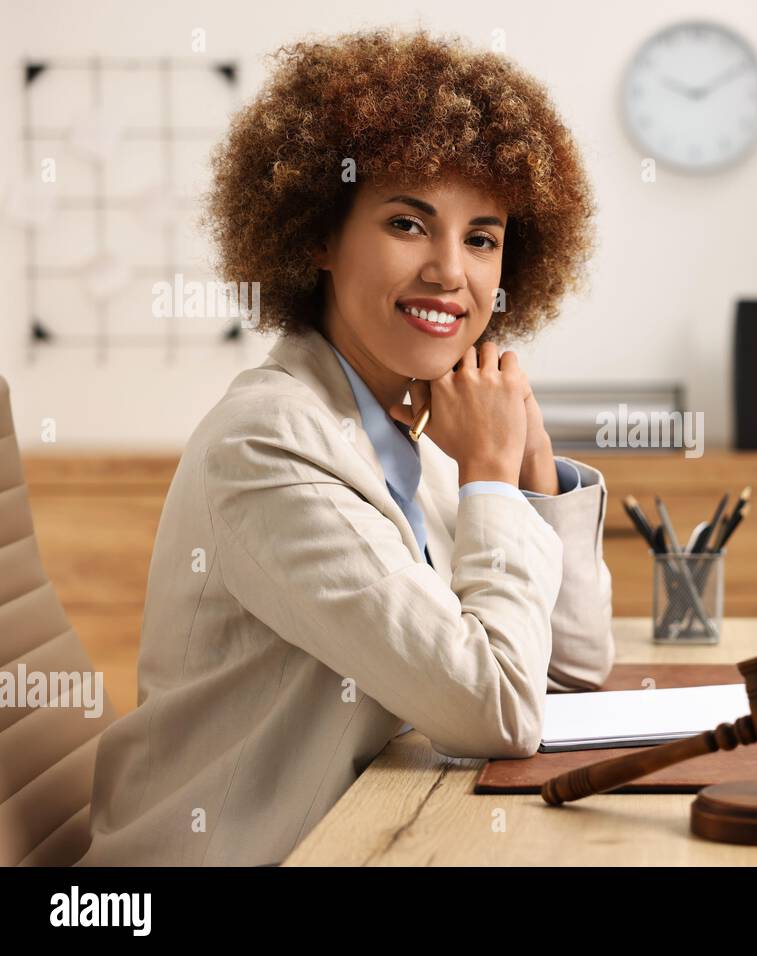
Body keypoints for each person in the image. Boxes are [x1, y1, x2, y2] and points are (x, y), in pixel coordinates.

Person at [78, 29, 614, 866]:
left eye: (482, 238)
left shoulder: (418, 434)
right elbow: (496, 712)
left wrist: (529, 470)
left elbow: (571, 673)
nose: (450, 271)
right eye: (409, 223)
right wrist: (490, 484)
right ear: (318, 239)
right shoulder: (268, 445)